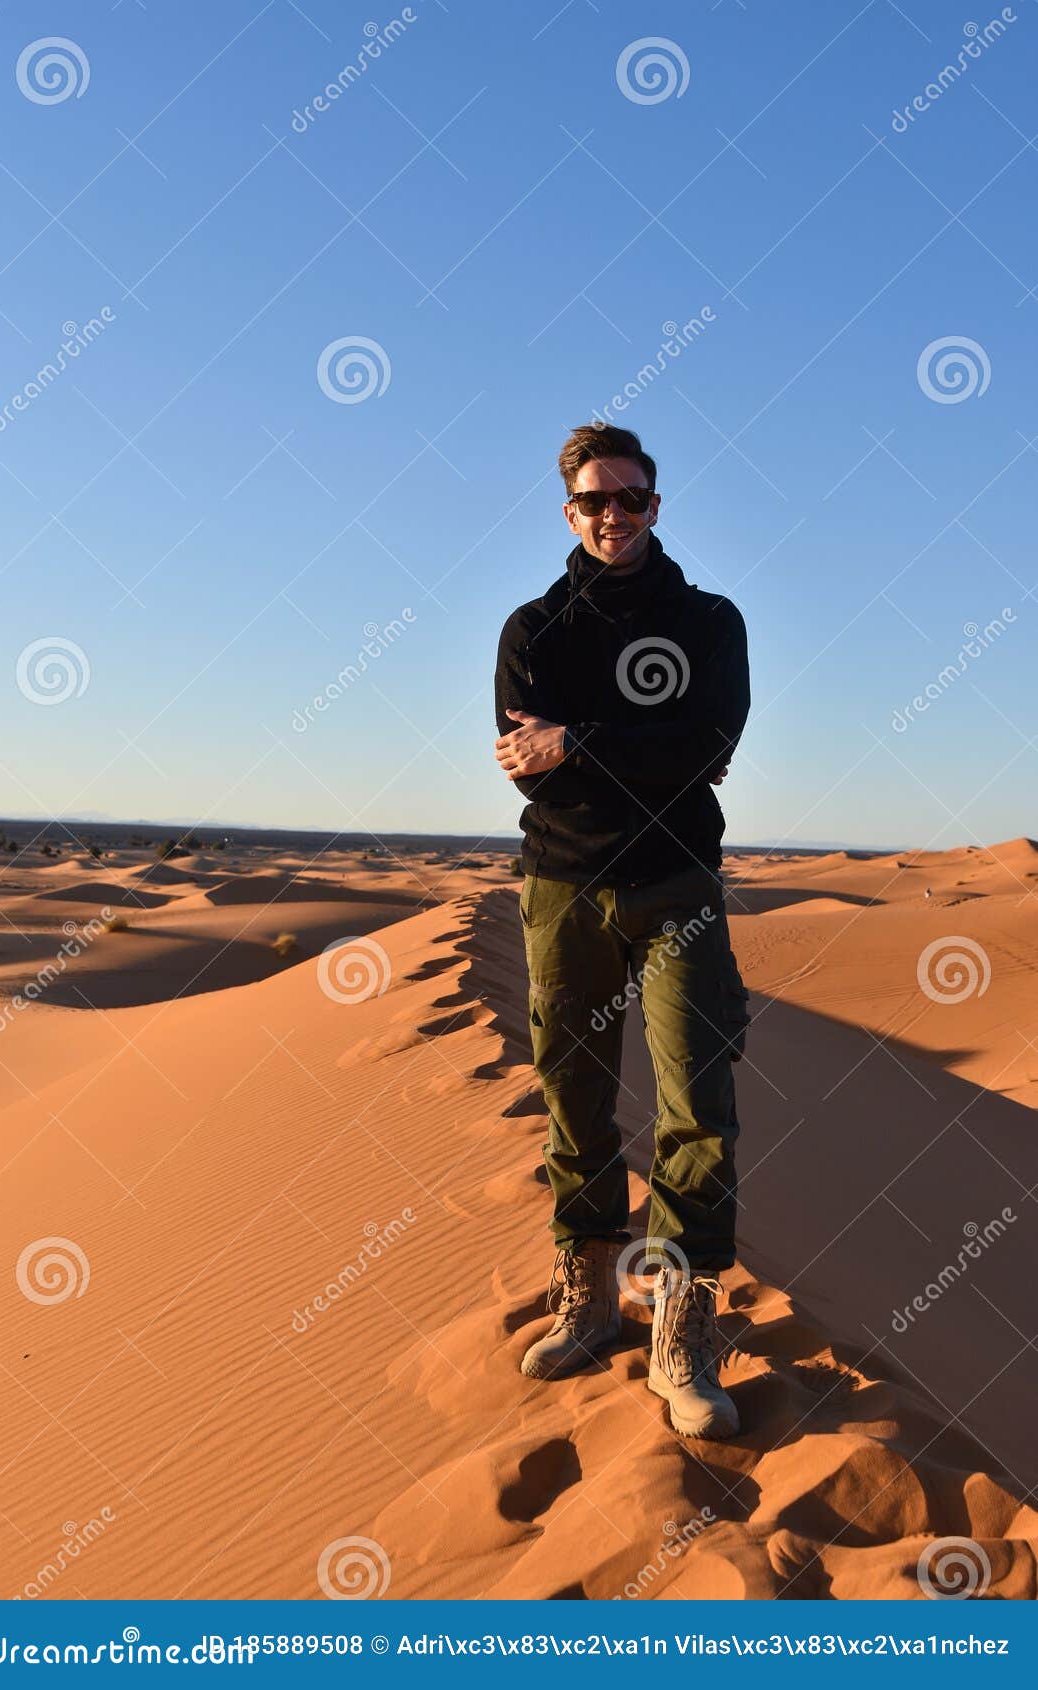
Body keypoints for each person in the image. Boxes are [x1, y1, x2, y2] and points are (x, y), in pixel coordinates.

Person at [493, 424, 751, 1440]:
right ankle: (592, 1297)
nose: (614, 515)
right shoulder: (533, 630)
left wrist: (582, 743)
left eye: (631, 498)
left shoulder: (708, 621)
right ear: (570, 512)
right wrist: (654, 753)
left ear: (657, 504)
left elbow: (714, 739)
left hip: (678, 884)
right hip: (563, 891)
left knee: (699, 1104)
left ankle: (680, 1332)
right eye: (595, 501)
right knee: (575, 1096)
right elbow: (523, 756)